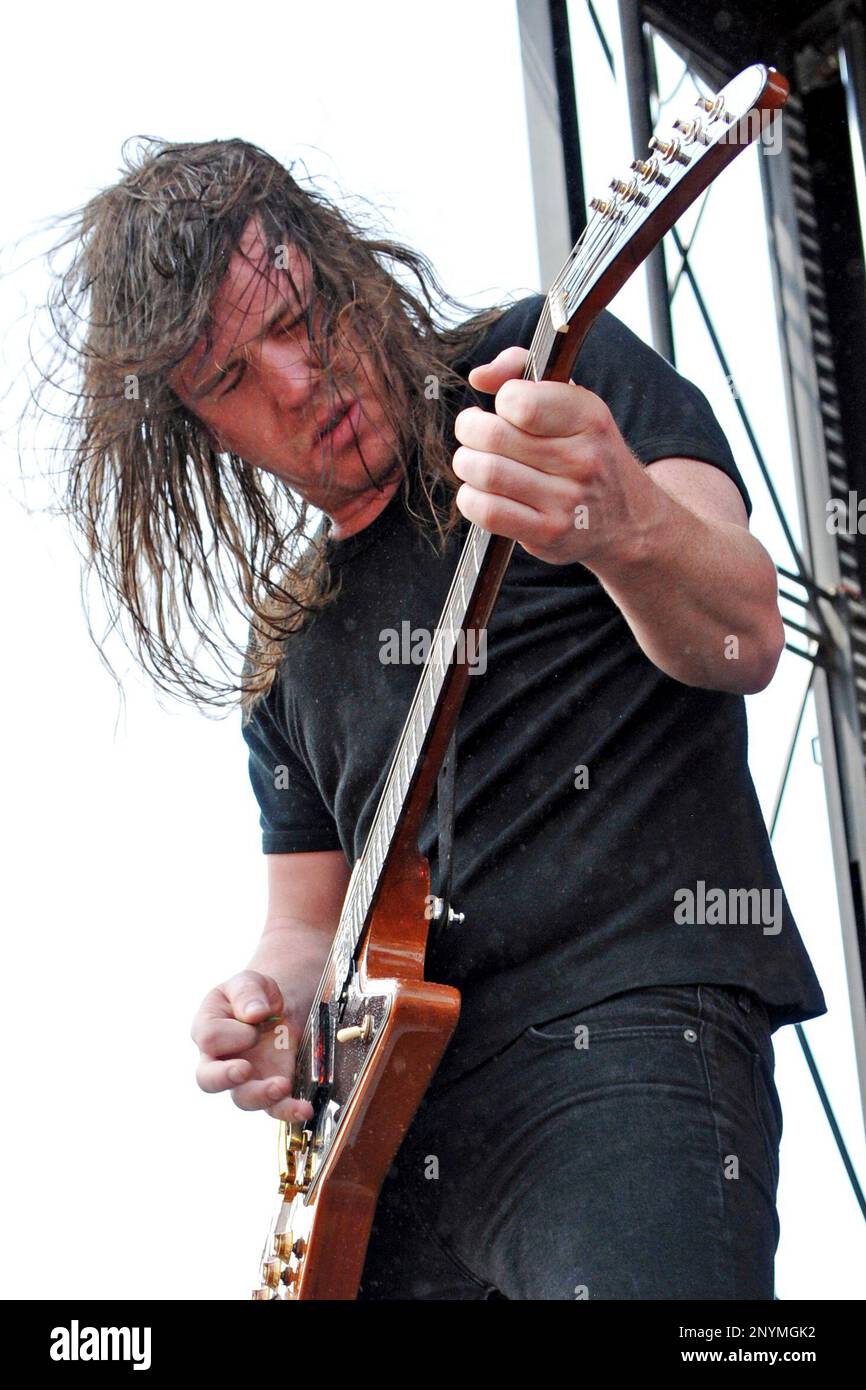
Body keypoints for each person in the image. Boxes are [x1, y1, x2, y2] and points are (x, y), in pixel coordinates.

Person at [44, 136, 825, 1300]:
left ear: (339, 266)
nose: (298, 380)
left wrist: (620, 523)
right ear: (197, 430)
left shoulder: (544, 374)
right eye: (231, 378)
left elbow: (742, 633)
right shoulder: (290, 639)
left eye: (299, 315)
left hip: (622, 1036)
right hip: (392, 1154)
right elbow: (306, 926)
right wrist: (265, 1008)